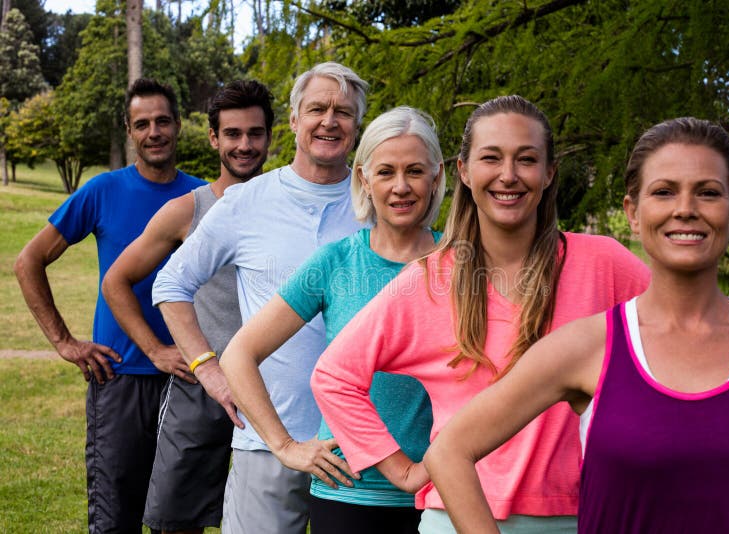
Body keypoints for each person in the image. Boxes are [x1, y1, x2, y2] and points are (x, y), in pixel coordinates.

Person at [424, 117, 729, 533]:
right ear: (633, 213)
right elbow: (449, 451)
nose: (686, 209)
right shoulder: (585, 348)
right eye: (664, 192)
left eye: (708, 193)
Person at [310, 95, 651, 533]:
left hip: (579, 515)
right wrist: (406, 472)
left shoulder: (604, 264)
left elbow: (682, 338)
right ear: (464, 172)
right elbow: (334, 377)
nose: (508, 175)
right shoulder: (428, 281)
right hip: (454, 517)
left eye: (526, 159)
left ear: (549, 173)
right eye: (491, 158)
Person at [151, 62, 368, 534]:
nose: (329, 121)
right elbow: (170, 286)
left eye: (344, 112)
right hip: (267, 438)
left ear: (357, 125)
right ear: (293, 120)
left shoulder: (377, 203)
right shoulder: (247, 202)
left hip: (361, 440)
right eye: (316, 109)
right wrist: (208, 369)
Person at [221, 106, 447, 534]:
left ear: (436, 177)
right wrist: (285, 446)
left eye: (415, 171)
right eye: (385, 172)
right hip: (348, 494)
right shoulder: (336, 262)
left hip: (441, 492)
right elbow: (239, 354)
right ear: (363, 179)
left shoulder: (459, 262)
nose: (401, 187)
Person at [14, 79, 206, 533]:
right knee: (115, 518)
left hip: (190, 381)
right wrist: (63, 341)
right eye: (142, 124)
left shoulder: (203, 198)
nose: (154, 131)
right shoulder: (103, 191)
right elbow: (29, 261)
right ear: (129, 131)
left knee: (179, 522)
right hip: (119, 379)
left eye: (162, 121)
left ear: (178, 126)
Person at [101, 80, 274, 533]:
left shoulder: (286, 205)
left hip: (273, 388)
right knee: (174, 523)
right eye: (232, 134)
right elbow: (116, 281)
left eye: (255, 133)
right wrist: (158, 351)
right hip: (202, 390)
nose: (244, 145)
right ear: (213, 138)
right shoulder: (187, 210)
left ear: (271, 137)